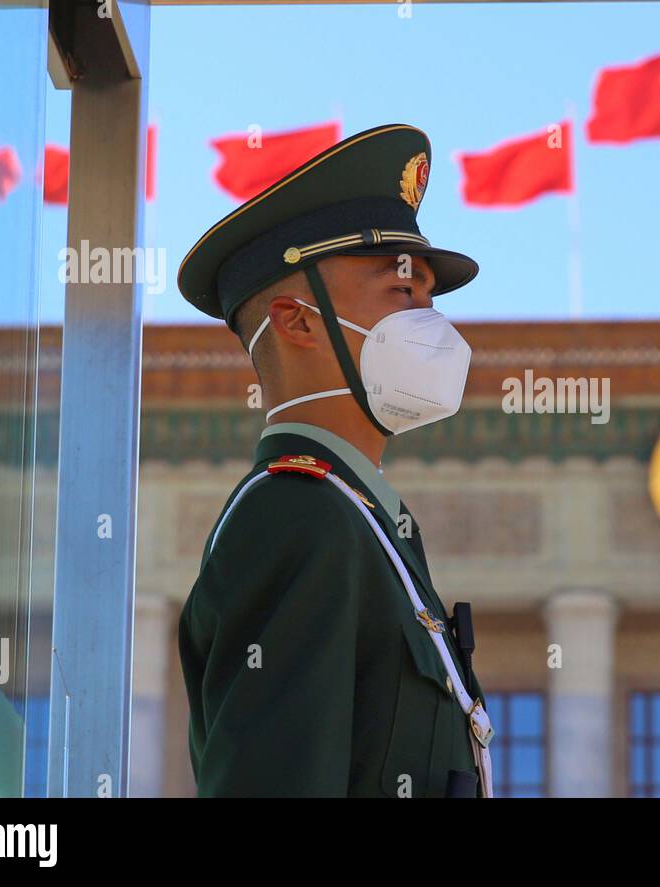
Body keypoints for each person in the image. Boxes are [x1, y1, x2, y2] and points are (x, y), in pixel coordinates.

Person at [175, 123, 493, 797]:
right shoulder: (298, 516)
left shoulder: (362, 519)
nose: (431, 325)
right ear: (297, 321)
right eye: (403, 295)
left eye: (431, 300)